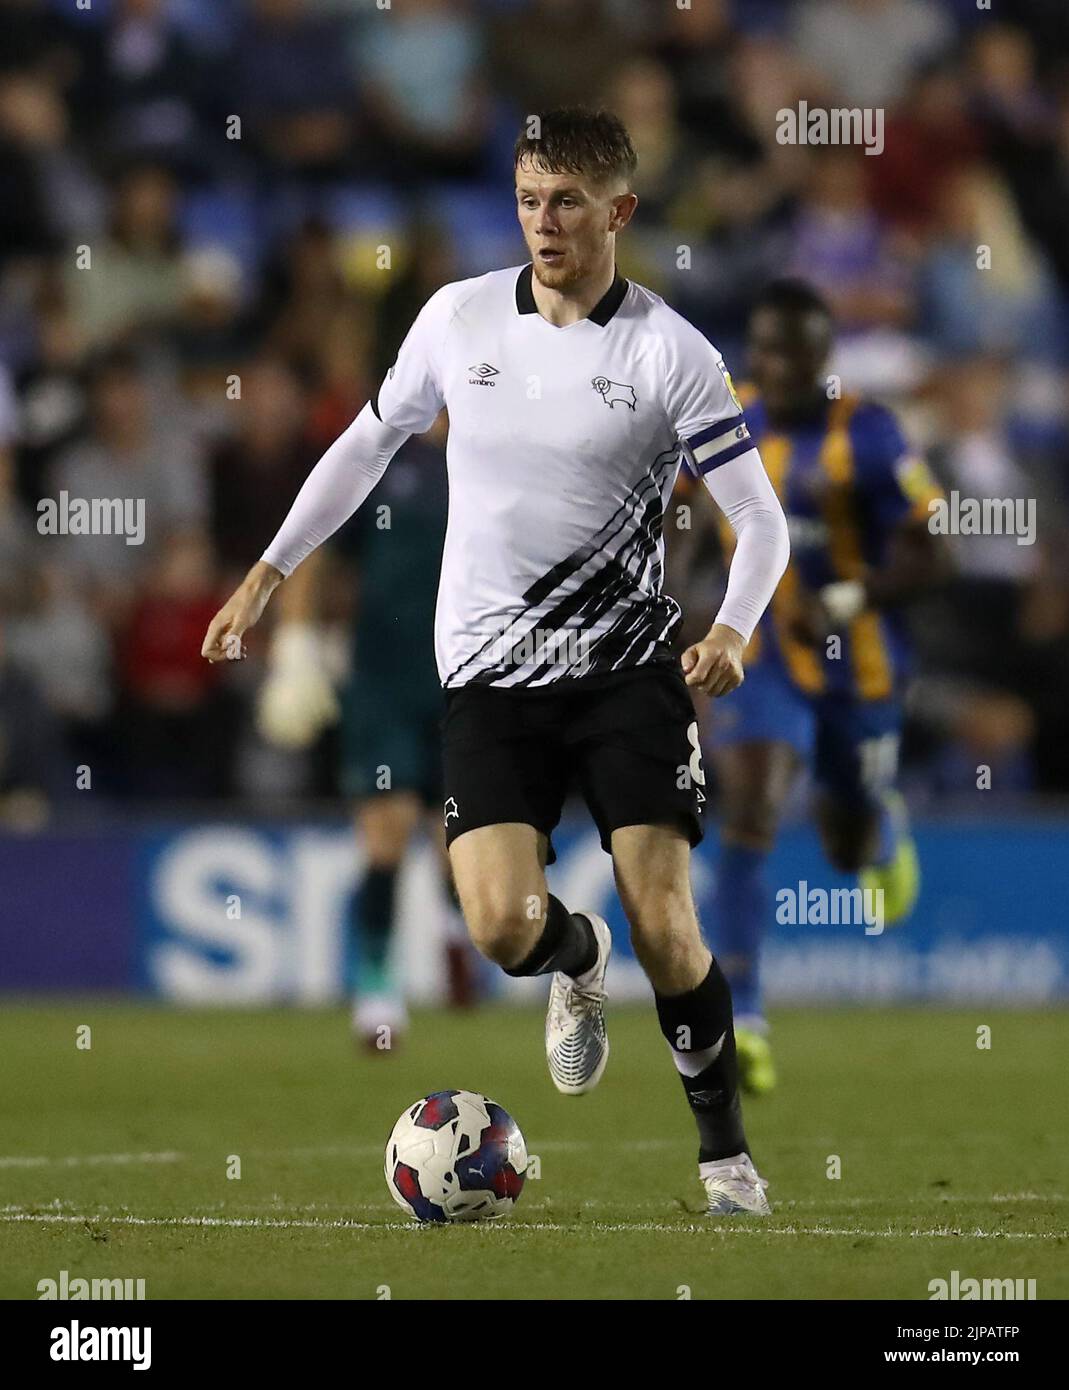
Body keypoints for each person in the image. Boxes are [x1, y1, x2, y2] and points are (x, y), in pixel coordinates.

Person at [201, 108, 789, 1216]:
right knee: (500, 927)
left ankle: (724, 1161)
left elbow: (760, 520)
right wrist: (270, 571)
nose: (543, 222)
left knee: (669, 921)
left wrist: (731, 629)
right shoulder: (456, 318)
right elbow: (365, 442)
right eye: (527, 199)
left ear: (618, 209)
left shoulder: (671, 351)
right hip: (485, 674)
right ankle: (576, 957)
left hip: (627, 669)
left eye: (567, 201)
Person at [681, 278, 947, 1095]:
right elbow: (681, 513)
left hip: (857, 666)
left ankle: (878, 829)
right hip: (759, 656)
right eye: (763, 349)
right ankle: (745, 1019)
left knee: (841, 839)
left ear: (822, 356)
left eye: (793, 351)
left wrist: (854, 596)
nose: (776, 365)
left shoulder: (867, 432)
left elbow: (937, 548)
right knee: (750, 803)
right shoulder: (726, 419)